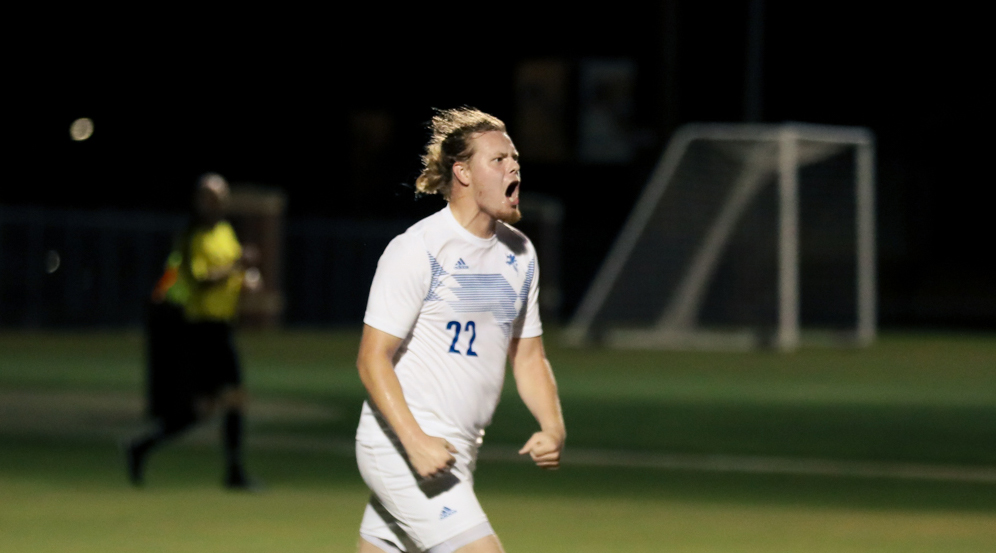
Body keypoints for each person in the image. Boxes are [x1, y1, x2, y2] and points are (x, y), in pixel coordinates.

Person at [355, 108, 566, 553]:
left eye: (515, 159)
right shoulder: (418, 249)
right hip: (402, 445)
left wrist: (552, 426)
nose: (514, 166)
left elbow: (528, 357)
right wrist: (414, 442)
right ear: (463, 172)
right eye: (499, 159)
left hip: (455, 452)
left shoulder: (520, 253)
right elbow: (372, 358)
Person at [126, 172, 259, 490]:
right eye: (207, 197)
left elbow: (235, 272)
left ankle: (142, 447)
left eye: (218, 197)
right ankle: (233, 472)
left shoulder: (226, 232)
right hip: (202, 329)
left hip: (222, 326)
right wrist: (236, 267)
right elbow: (199, 280)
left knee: (209, 408)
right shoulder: (190, 237)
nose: (213, 203)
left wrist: (247, 278)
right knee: (228, 400)